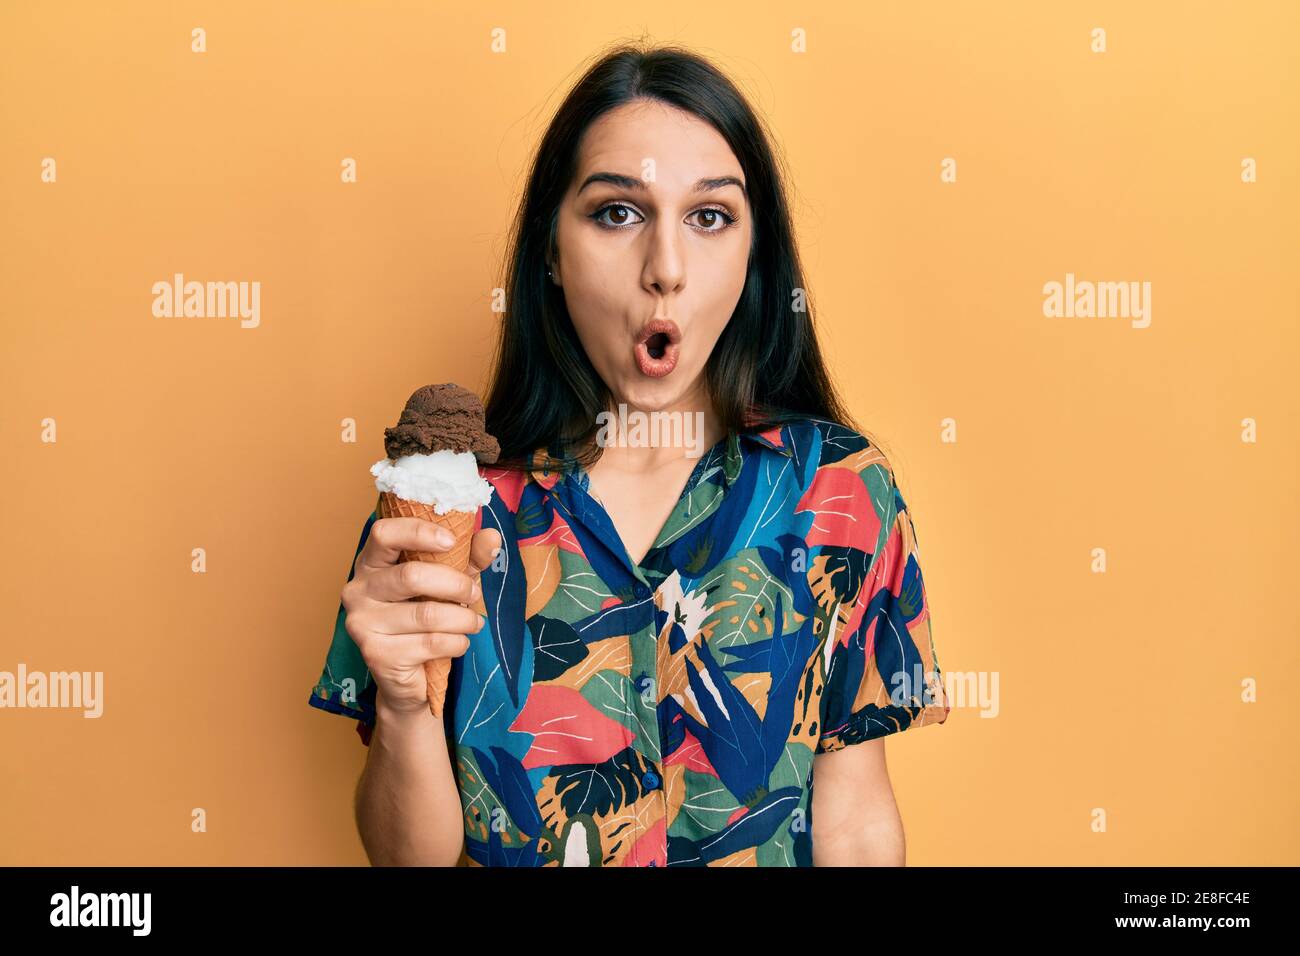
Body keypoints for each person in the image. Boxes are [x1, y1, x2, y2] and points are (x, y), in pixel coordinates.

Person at [308, 42, 950, 867]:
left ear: (755, 258)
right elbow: (409, 858)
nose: (667, 270)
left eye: (710, 217)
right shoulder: (450, 516)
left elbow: (856, 821)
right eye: (618, 212)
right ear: (550, 250)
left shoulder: (840, 491)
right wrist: (402, 705)